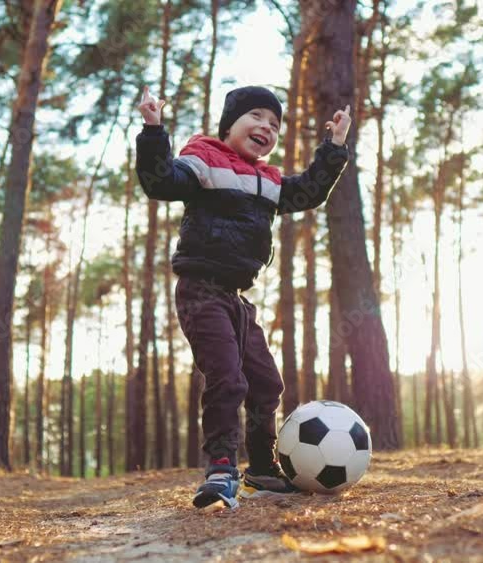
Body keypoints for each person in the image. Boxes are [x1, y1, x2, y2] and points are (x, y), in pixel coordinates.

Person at [135, 84, 351, 509]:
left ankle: (263, 471)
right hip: (200, 290)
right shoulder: (203, 160)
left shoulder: (268, 180)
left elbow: (309, 191)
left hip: (236, 298)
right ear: (229, 124)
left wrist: (334, 148)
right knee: (227, 378)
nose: (266, 127)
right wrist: (154, 130)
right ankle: (220, 468)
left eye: (274, 124)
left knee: (267, 382)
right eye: (255, 117)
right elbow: (159, 181)